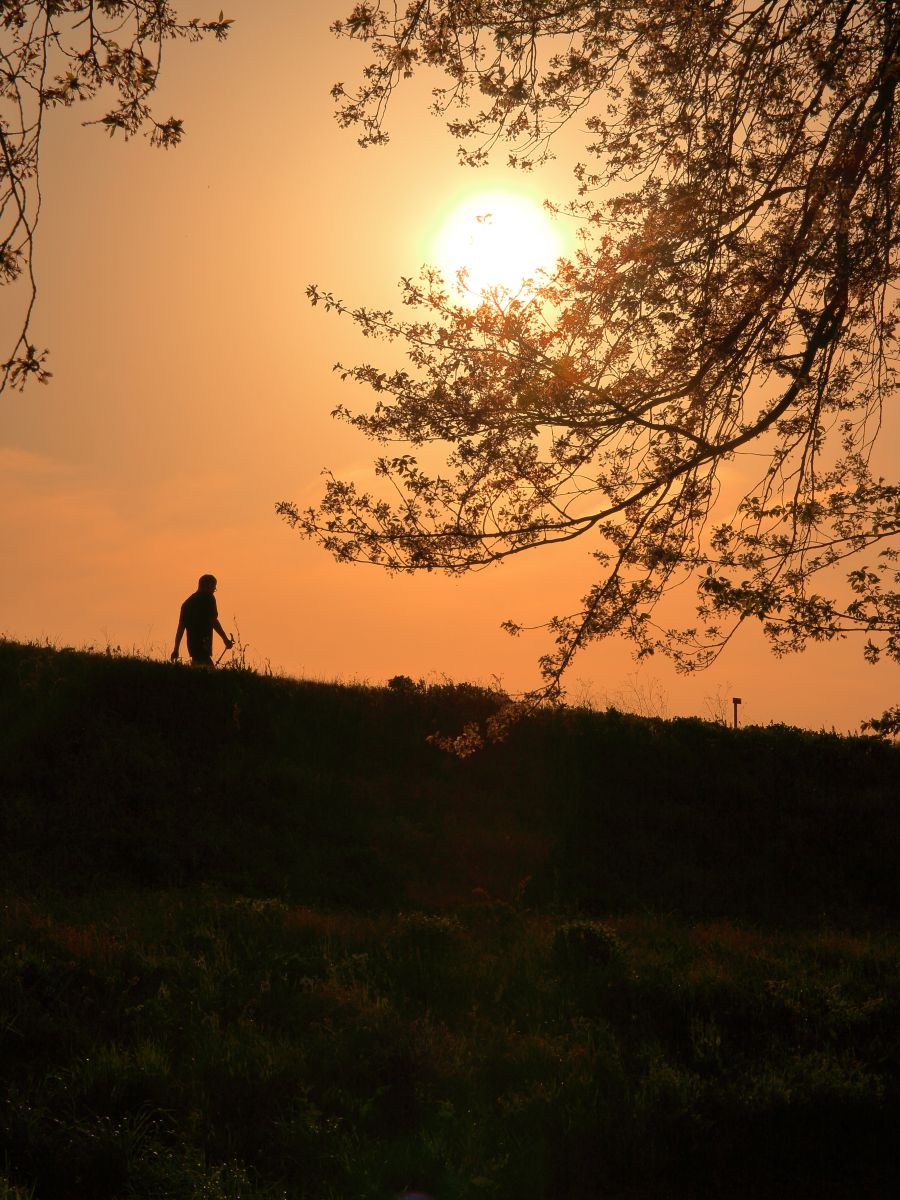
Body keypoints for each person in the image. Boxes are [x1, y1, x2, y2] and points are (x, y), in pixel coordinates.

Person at [171, 574, 234, 666]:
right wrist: (225, 639)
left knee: (197, 670)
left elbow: (180, 628)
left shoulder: (187, 603)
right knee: (209, 675)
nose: (214, 590)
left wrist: (176, 649)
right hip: (203, 644)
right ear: (208, 585)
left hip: (192, 646)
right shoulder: (208, 597)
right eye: (214, 586)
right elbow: (213, 620)